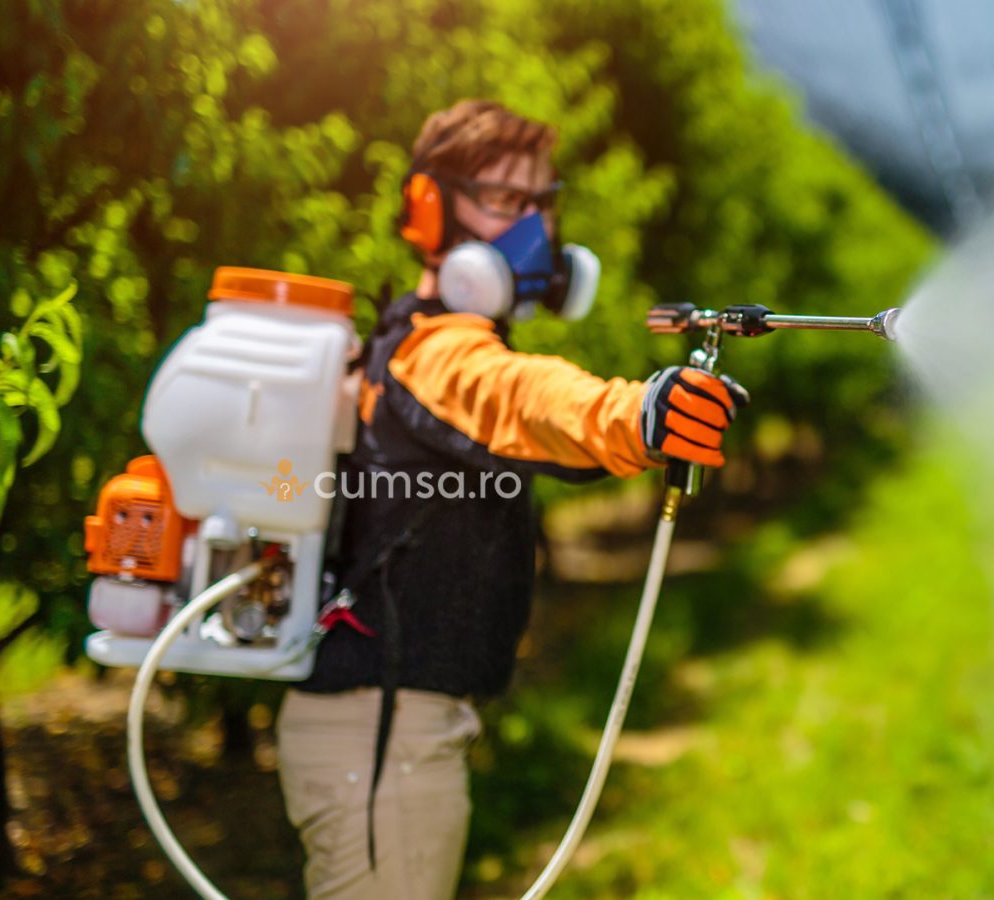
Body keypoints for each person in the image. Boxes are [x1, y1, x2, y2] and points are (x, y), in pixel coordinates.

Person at [275, 99, 747, 899]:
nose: (530, 229)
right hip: (380, 742)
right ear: (429, 209)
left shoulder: (404, 339)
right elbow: (522, 396)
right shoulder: (436, 349)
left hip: (384, 734)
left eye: (539, 204)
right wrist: (638, 413)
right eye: (501, 200)